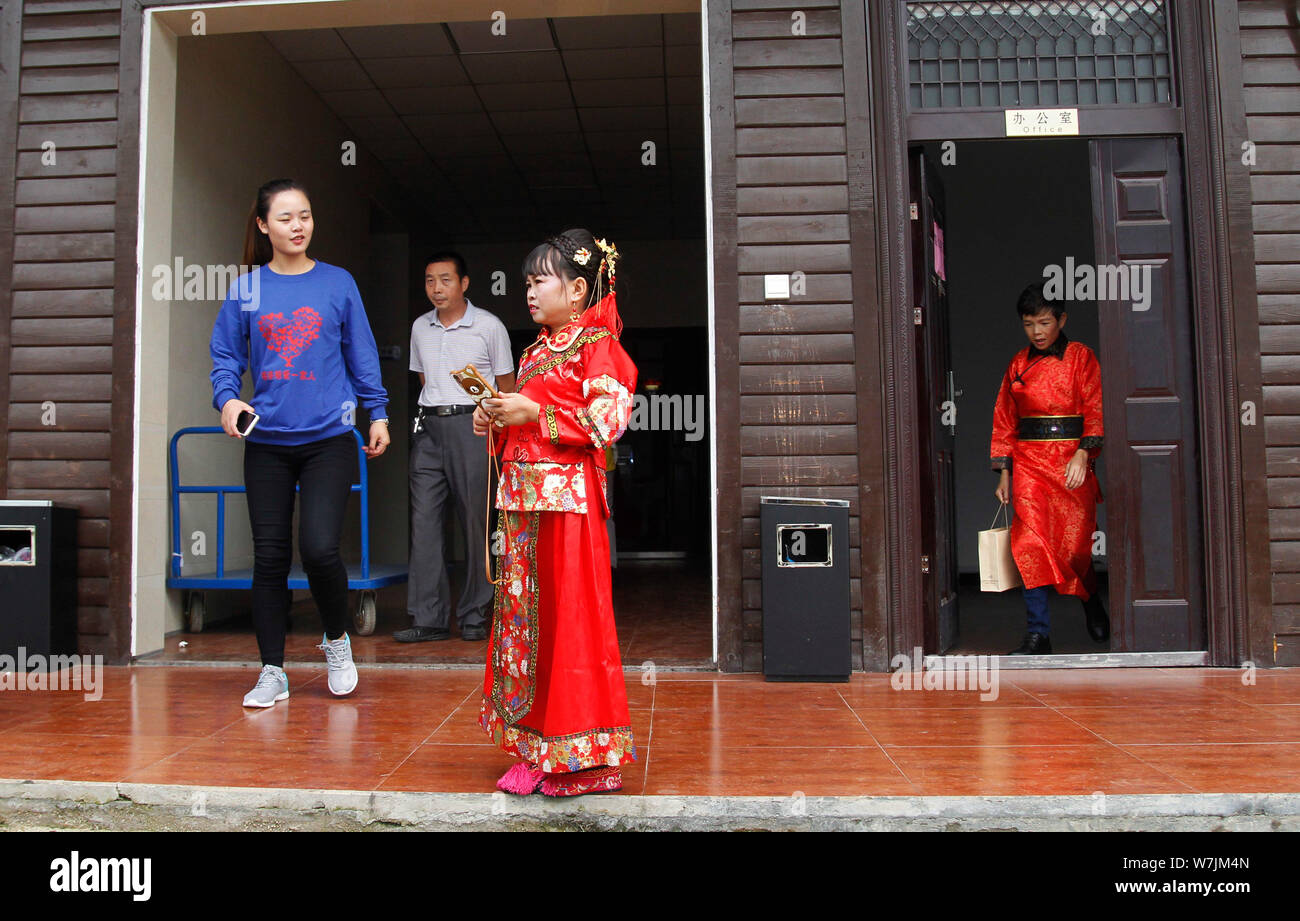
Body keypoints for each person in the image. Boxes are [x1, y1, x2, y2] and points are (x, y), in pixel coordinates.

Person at [210, 178, 391, 707]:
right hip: (266, 442)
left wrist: (378, 412)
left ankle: (336, 640)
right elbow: (226, 356)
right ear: (263, 225)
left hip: (328, 439)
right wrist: (227, 399)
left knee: (318, 548)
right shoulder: (246, 289)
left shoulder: (338, 283)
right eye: (285, 217)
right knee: (269, 557)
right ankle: (272, 671)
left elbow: (361, 352)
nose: (297, 226)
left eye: (305, 216)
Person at [473, 229, 637, 797]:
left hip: (568, 508)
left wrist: (534, 413)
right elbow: (524, 428)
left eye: (541, 280)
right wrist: (497, 419)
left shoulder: (598, 346)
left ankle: (583, 756)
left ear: (577, 290)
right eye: (527, 282)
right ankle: (538, 746)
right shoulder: (535, 353)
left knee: (570, 624)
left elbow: (607, 422)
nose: (530, 291)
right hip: (524, 506)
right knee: (528, 627)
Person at [398, 252, 515, 644]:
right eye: (430, 280)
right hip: (430, 428)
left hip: (475, 427)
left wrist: (488, 419)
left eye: (445, 280)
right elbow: (423, 379)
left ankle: (474, 614)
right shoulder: (420, 327)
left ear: (464, 283)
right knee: (424, 521)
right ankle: (428, 617)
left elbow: (507, 387)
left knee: (476, 521)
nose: (437, 288)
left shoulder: (489, 326)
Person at [991, 282, 1109, 655]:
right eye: (1029, 324)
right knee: (1029, 544)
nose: (1037, 332)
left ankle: (1090, 598)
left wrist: (1084, 454)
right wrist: (1005, 472)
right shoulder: (1018, 364)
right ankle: (1038, 633)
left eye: (1044, 322)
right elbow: (1005, 420)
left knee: (1074, 548)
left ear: (1062, 319)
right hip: (1029, 462)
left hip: (1071, 461)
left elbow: (1095, 408)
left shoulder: (1081, 358)